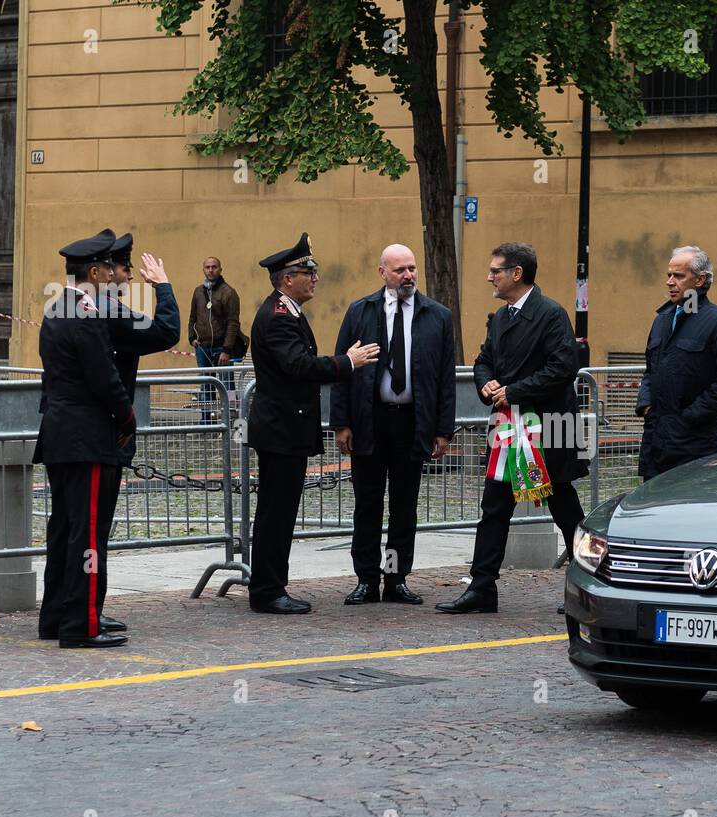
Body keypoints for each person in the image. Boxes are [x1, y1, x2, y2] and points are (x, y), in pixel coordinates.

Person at [436, 242, 587, 614]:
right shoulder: (502, 317)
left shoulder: (551, 314)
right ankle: (482, 585)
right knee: (494, 505)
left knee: (563, 506)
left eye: (495, 271)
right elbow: (484, 359)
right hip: (507, 427)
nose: (489, 277)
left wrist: (514, 390)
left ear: (516, 273)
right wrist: (486, 383)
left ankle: (586, 583)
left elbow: (562, 367)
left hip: (550, 427)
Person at [247, 233, 380, 614]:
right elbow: (298, 366)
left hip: (285, 428)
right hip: (280, 430)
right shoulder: (277, 317)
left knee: (280, 511)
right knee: (276, 513)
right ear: (288, 279)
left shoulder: (286, 310)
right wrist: (347, 362)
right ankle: (268, 590)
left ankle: (271, 585)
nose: (315, 278)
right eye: (308, 271)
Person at [331, 244, 457, 606]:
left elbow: (445, 378)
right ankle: (367, 579)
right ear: (382, 272)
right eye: (400, 269)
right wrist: (341, 423)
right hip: (370, 422)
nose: (408, 276)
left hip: (412, 423)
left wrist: (443, 430)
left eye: (412, 268)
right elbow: (342, 371)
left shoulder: (437, 315)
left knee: (404, 506)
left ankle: (396, 577)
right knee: (367, 504)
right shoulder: (361, 311)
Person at [34, 229, 136, 649]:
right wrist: (126, 415)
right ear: (94, 271)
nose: (115, 273)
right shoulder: (87, 315)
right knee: (88, 533)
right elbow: (104, 380)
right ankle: (82, 623)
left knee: (65, 530)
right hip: (87, 436)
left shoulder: (57, 308)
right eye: (110, 267)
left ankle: (57, 615)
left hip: (60, 434)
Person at [91, 232, 181, 635]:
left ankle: (73, 609)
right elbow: (166, 332)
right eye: (125, 269)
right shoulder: (109, 311)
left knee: (80, 528)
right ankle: (87, 610)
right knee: (92, 529)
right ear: (106, 270)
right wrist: (162, 286)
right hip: (102, 434)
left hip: (87, 433)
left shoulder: (76, 307)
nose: (129, 277)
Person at [635, 245, 717, 479]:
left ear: (700, 280)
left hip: (695, 444)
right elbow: (651, 369)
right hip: (657, 439)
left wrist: (689, 417)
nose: (670, 281)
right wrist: (646, 403)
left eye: (678, 276)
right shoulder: (662, 320)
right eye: (669, 275)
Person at [188, 256, 244, 421]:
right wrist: (192, 338)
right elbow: (192, 317)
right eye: (207, 267)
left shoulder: (229, 292)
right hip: (202, 346)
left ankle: (230, 419)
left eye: (214, 267)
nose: (211, 270)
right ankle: (206, 421)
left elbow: (233, 323)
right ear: (203, 269)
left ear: (220, 269)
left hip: (222, 348)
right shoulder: (198, 292)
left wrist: (226, 350)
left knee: (228, 386)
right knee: (206, 385)